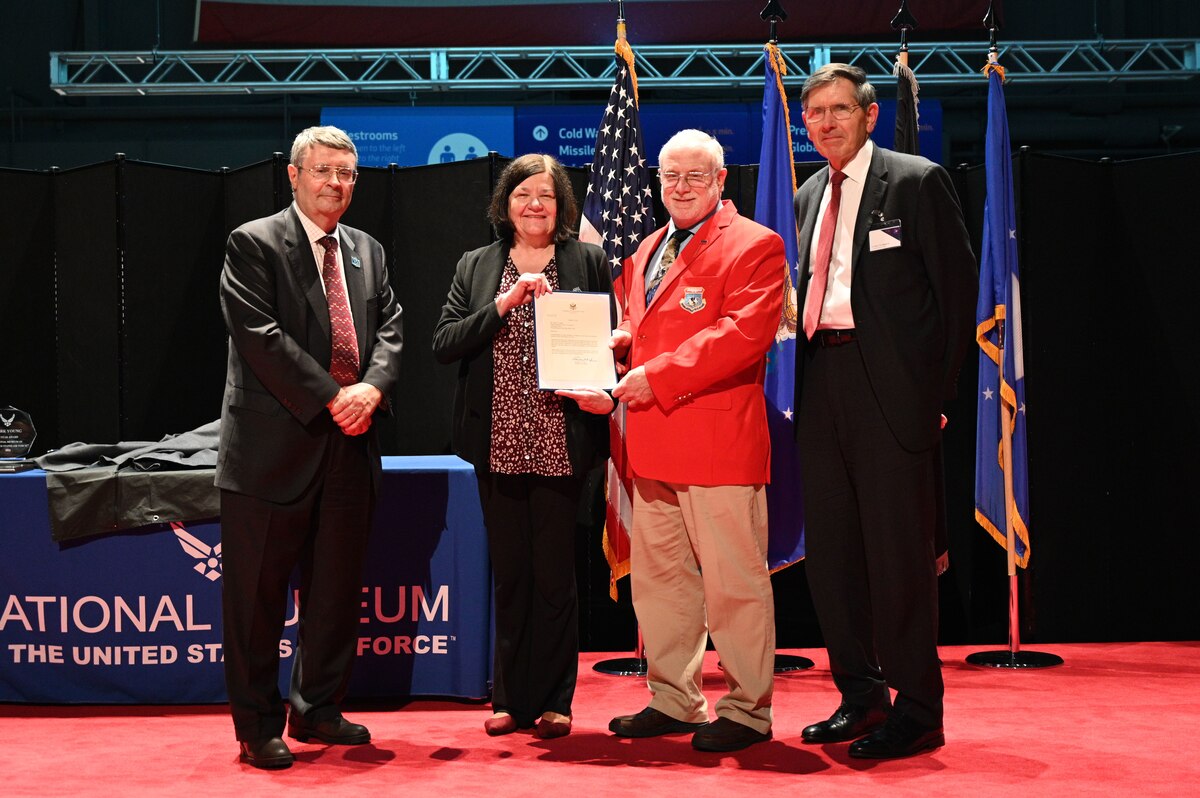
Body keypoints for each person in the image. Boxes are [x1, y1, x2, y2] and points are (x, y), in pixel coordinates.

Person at [792, 63, 977, 759]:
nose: (828, 123)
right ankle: (860, 696)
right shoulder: (809, 193)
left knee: (899, 557)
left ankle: (917, 709)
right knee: (834, 556)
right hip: (822, 383)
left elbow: (957, 298)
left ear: (869, 116)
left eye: (841, 110)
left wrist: (935, 394)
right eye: (816, 114)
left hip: (892, 393)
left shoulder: (917, 180)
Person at [216, 125, 404, 769]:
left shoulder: (369, 251)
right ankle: (257, 723)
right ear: (294, 176)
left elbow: (393, 331)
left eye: (348, 174)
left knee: (333, 593)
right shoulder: (254, 242)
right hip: (272, 451)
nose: (337, 184)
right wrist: (335, 396)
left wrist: (372, 390)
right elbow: (260, 336)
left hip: (351, 448)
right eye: (324, 171)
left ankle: (317, 707)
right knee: (256, 600)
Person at [607, 129, 785, 753]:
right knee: (661, 585)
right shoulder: (649, 246)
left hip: (718, 444)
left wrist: (653, 374)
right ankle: (675, 698)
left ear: (720, 181)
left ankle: (747, 710)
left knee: (734, 585)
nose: (679, 188)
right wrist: (620, 342)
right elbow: (639, 319)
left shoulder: (756, 245)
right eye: (669, 177)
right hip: (652, 441)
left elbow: (742, 336)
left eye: (693, 177)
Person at [432, 154, 614, 740]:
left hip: (562, 437)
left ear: (561, 206)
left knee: (555, 577)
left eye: (547, 196)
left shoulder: (586, 259)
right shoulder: (478, 264)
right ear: (505, 203)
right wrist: (503, 305)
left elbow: (611, 339)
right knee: (511, 576)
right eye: (522, 195)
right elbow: (445, 342)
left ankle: (557, 700)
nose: (535, 205)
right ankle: (511, 699)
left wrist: (609, 366)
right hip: (498, 437)